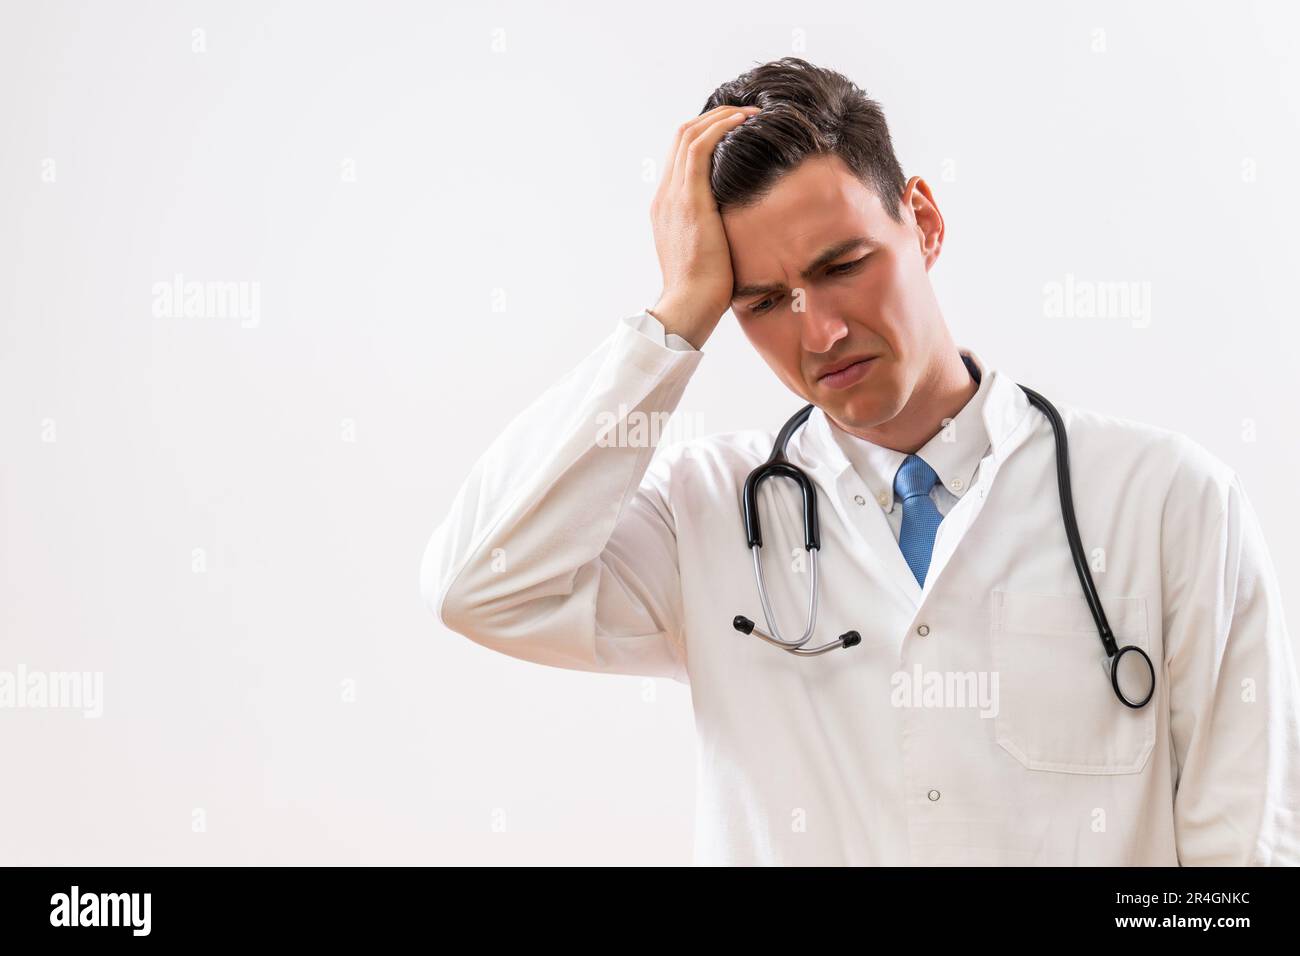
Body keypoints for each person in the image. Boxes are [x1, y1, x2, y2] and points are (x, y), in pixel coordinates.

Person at [421, 57, 1299, 865]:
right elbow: (480, 585)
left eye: (842, 265)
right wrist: (677, 314)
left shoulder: (1168, 503)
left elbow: (1238, 867)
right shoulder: (705, 516)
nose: (820, 332)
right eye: (763, 301)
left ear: (922, 220)